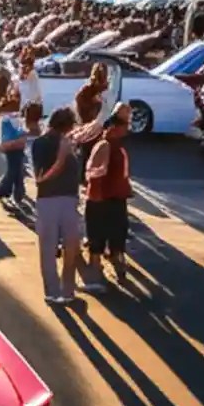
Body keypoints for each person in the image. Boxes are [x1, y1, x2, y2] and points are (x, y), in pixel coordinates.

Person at [32, 107, 84, 305]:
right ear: (66, 126)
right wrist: (62, 158)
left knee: (72, 244)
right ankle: (53, 292)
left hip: (69, 198)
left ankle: (67, 289)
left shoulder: (68, 143)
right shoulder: (42, 144)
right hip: (49, 199)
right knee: (49, 246)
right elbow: (40, 178)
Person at [84, 104, 134, 284]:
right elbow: (93, 171)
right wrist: (99, 172)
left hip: (115, 197)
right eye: (125, 124)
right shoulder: (104, 145)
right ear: (114, 127)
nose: (127, 129)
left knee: (117, 232)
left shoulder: (116, 145)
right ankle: (96, 270)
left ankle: (114, 260)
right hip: (101, 198)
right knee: (99, 234)